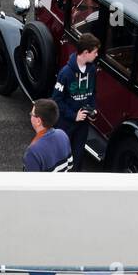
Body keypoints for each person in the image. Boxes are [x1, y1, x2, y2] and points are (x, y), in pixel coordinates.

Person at [53, 31, 99, 172]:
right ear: (85, 52)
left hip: (83, 125)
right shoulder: (65, 73)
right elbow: (56, 99)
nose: (97, 55)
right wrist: (74, 116)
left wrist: (93, 109)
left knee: (78, 156)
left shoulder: (92, 70)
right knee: (63, 156)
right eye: (95, 52)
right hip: (66, 124)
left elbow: (92, 93)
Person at [23, 98, 72, 172]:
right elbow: (70, 165)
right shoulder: (63, 134)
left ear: (38, 121)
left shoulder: (33, 151)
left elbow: (31, 182)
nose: (30, 116)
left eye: (31, 114)